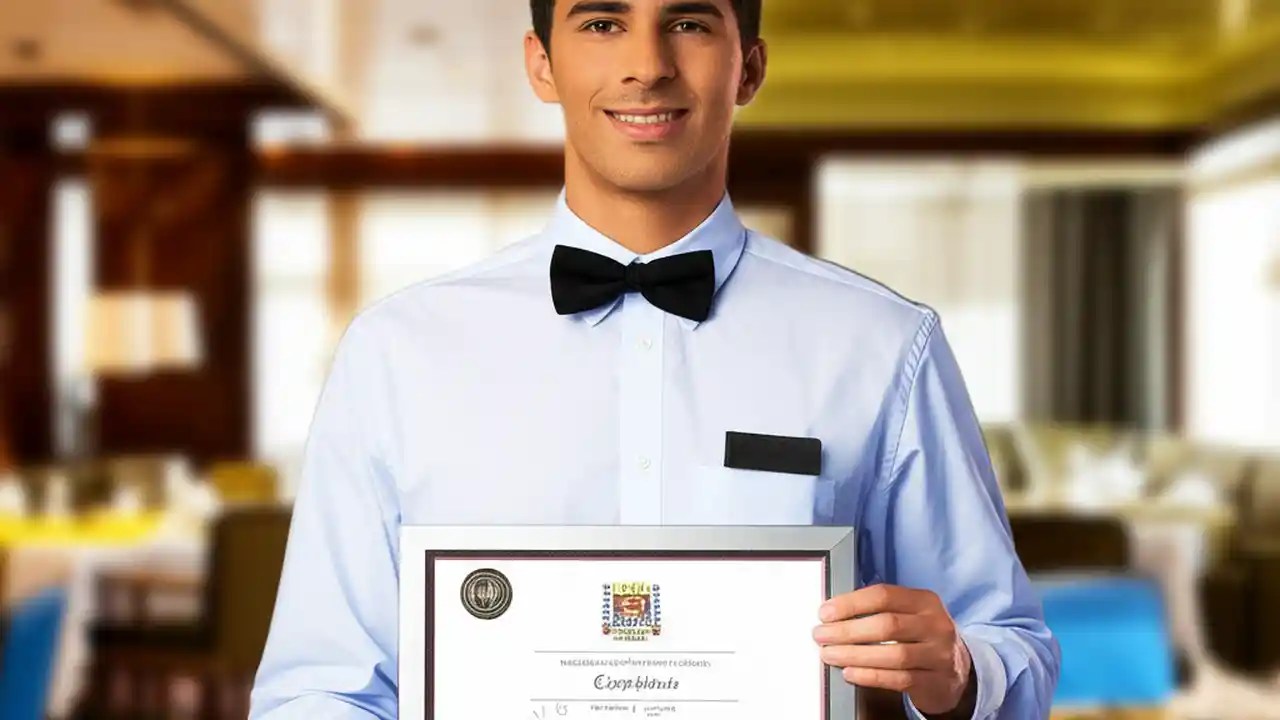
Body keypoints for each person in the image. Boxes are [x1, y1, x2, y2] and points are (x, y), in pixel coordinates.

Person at [249, 0, 1060, 718]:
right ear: (541, 63)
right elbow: (321, 689)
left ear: (749, 67)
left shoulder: (884, 344)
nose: (647, 65)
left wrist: (956, 672)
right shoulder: (397, 352)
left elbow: (1012, 647)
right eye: (603, 22)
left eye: (690, 22)